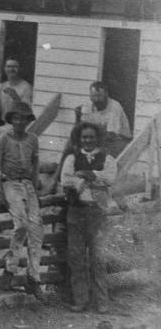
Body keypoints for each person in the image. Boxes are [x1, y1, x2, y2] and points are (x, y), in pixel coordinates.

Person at [0, 102, 45, 300]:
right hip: (10, 183)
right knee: (20, 224)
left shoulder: (33, 139)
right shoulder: (3, 139)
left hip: (28, 185)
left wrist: (36, 184)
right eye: (16, 118)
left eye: (24, 118)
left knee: (37, 229)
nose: (20, 122)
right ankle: (10, 269)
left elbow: (35, 163)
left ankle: (34, 277)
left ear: (29, 120)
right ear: (11, 120)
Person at [61, 121, 116, 314]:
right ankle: (81, 300)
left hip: (97, 213)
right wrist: (82, 182)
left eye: (91, 137)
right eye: (84, 137)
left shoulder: (107, 158)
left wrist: (88, 174)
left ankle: (102, 302)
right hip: (76, 212)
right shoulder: (71, 158)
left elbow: (110, 178)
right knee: (77, 258)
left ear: (98, 138)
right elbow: (66, 179)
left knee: (98, 259)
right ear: (79, 139)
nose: (88, 140)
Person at [77, 81, 132, 157]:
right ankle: (61, 168)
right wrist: (77, 118)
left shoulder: (114, 107)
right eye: (93, 96)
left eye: (99, 96)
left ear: (106, 95)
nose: (96, 99)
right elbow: (81, 129)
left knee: (100, 152)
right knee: (72, 144)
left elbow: (111, 136)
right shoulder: (87, 105)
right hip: (100, 139)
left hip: (120, 140)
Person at [0, 58, 33, 127]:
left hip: (19, 126)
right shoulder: (1, 86)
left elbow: (27, 112)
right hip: (4, 126)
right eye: (9, 66)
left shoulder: (27, 87)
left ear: (20, 69)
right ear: (4, 69)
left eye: (15, 67)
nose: (11, 69)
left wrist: (15, 97)